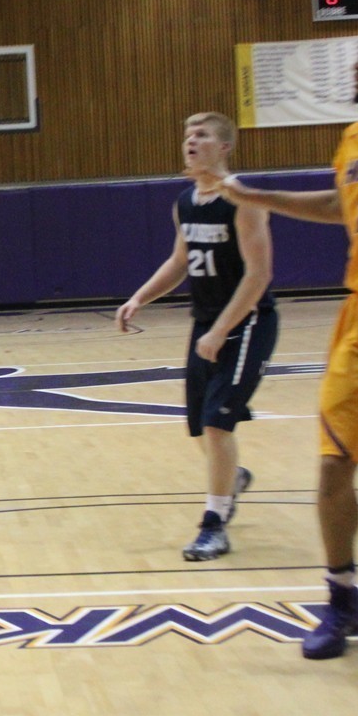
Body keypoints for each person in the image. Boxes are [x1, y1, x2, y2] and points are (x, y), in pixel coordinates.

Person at [209, 90, 358, 659]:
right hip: (355, 321)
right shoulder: (350, 140)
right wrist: (257, 196)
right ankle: (342, 598)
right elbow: (338, 205)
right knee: (332, 467)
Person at [117, 113, 274, 561]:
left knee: (216, 422)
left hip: (247, 322)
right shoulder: (185, 202)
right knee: (199, 427)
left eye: (201, 135)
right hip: (207, 323)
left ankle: (214, 524)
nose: (190, 141)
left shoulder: (242, 199)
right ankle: (234, 475)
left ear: (224, 147)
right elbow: (180, 260)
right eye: (187, 135)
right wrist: (140, 298)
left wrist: (223, 329)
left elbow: (260, 275)